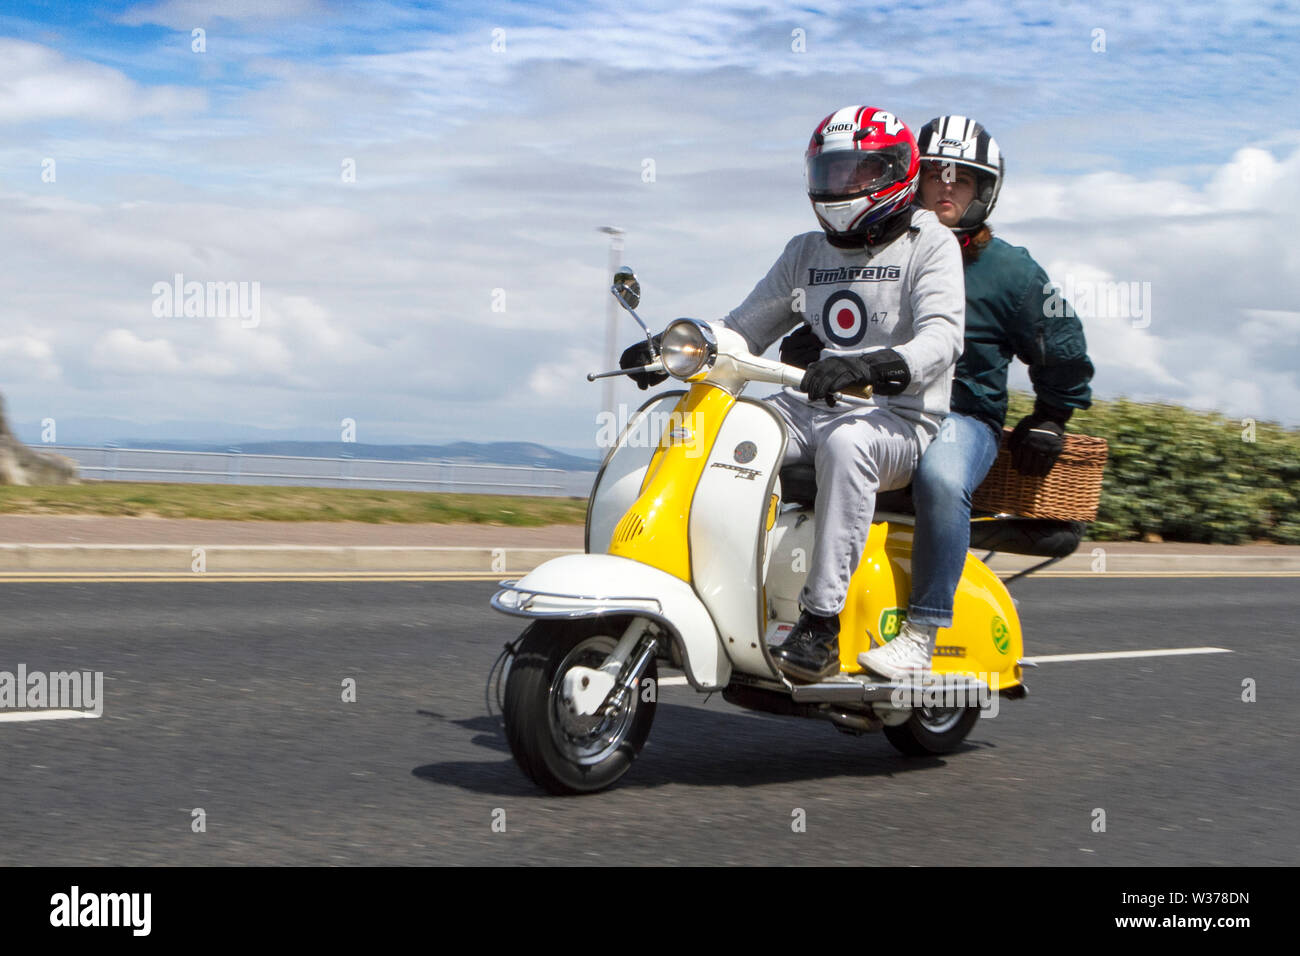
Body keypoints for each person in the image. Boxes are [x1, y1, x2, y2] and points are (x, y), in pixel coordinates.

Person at [621, 105, 965, 683]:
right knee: (729, 431)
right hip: (813, 403)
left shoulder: (930, 244)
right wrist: (675, 347)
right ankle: (695, 587)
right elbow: (745, 327)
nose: (843, 186)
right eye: (832, 173)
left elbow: (943, 337)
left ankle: (820, 622)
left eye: (858, 172)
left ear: (894, 172)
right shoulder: (806, 252)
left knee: (849, 445)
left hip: (898, 420)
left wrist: (871, 366)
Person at [781, 114, 1094, 680]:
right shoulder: (865, 249)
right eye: (937, 175)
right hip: (868, 405)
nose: (947, 188)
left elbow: (1061, 345)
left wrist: (1052, 414)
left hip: (958, 415)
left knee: (941, 478)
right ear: (911, 176)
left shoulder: (1010, 271)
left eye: (964, 179)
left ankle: (922, 632)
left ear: (984, 193)